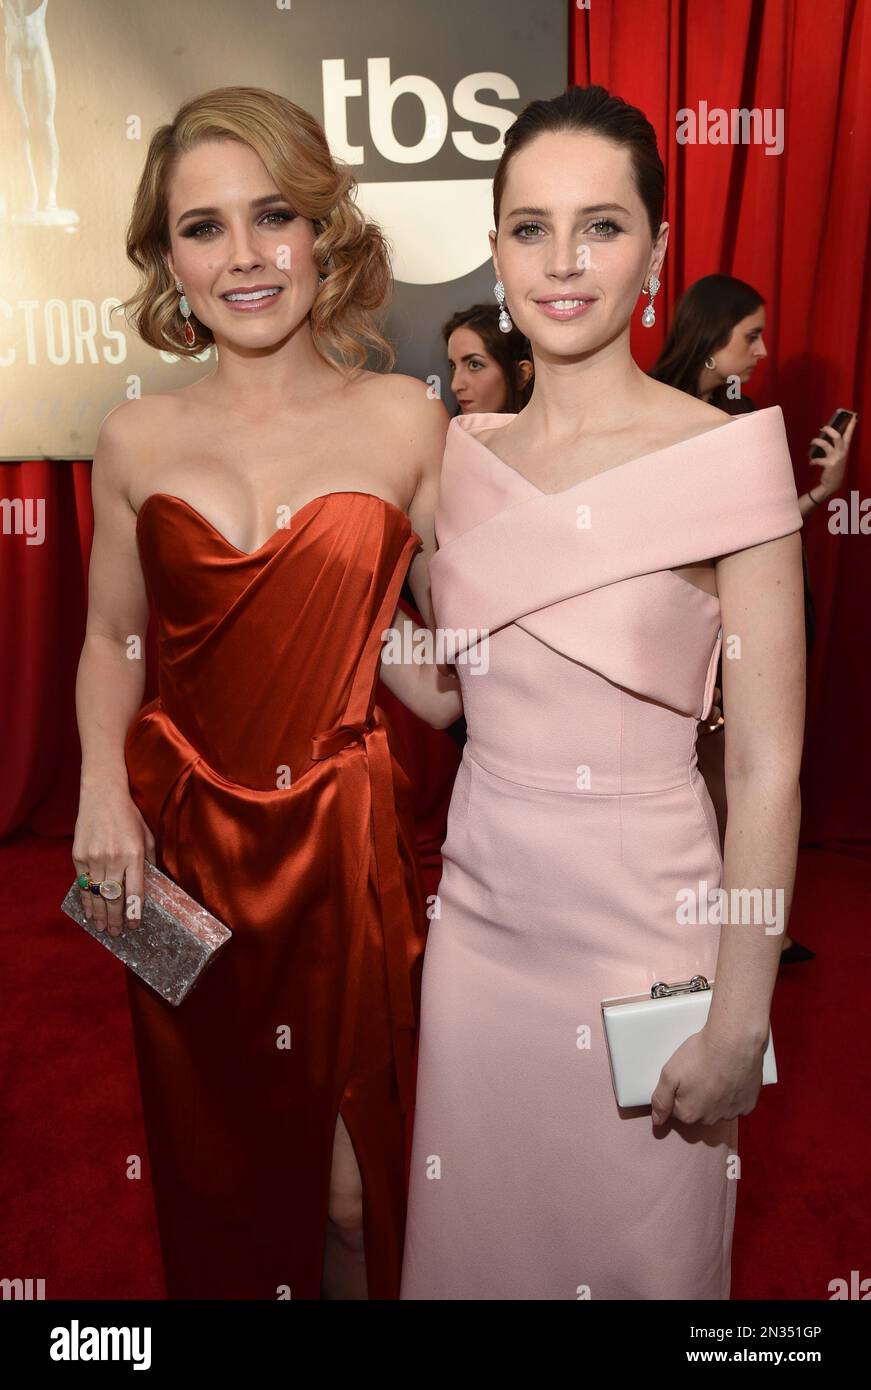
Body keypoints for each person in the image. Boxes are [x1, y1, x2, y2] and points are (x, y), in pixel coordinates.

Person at [401, 84, 805, 1300]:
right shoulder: (455, 460)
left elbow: (769, 761)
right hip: (478, 936)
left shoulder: (730, 456)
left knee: (645, 1261)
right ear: (494, 247)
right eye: (529, 229)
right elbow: (447, 698)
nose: (563, 264)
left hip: (649, 939)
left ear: (657, 247)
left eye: (601, 226)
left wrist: (742, 1015)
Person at [72, 85, 460, 1301]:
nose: (243, 255)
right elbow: (109, 641)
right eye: (203, 227)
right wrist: (99, 790)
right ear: (167, 257)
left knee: (355, 1193)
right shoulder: (134, 440)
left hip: (344, 850)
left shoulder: (408, 420)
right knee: (218, 1176)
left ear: (322, 232)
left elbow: (456, 668)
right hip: (179, 852)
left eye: (273, 214)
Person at [651, 274, 857, 963]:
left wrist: (816, 495)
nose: (762, 351)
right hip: (682, 626)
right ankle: (711, 927)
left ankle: (746, 930)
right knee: (698, 781)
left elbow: (755, 537)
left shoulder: (746, 419)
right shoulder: (651, 413)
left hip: (750, 622)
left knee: (740, 776)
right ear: (710, 340)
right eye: (749, 337)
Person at [444, 303, 533, 416]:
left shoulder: (551, 432)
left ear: (522, 374)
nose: (455, 385)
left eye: (474, 365)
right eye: (453, 366)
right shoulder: (451, 431)